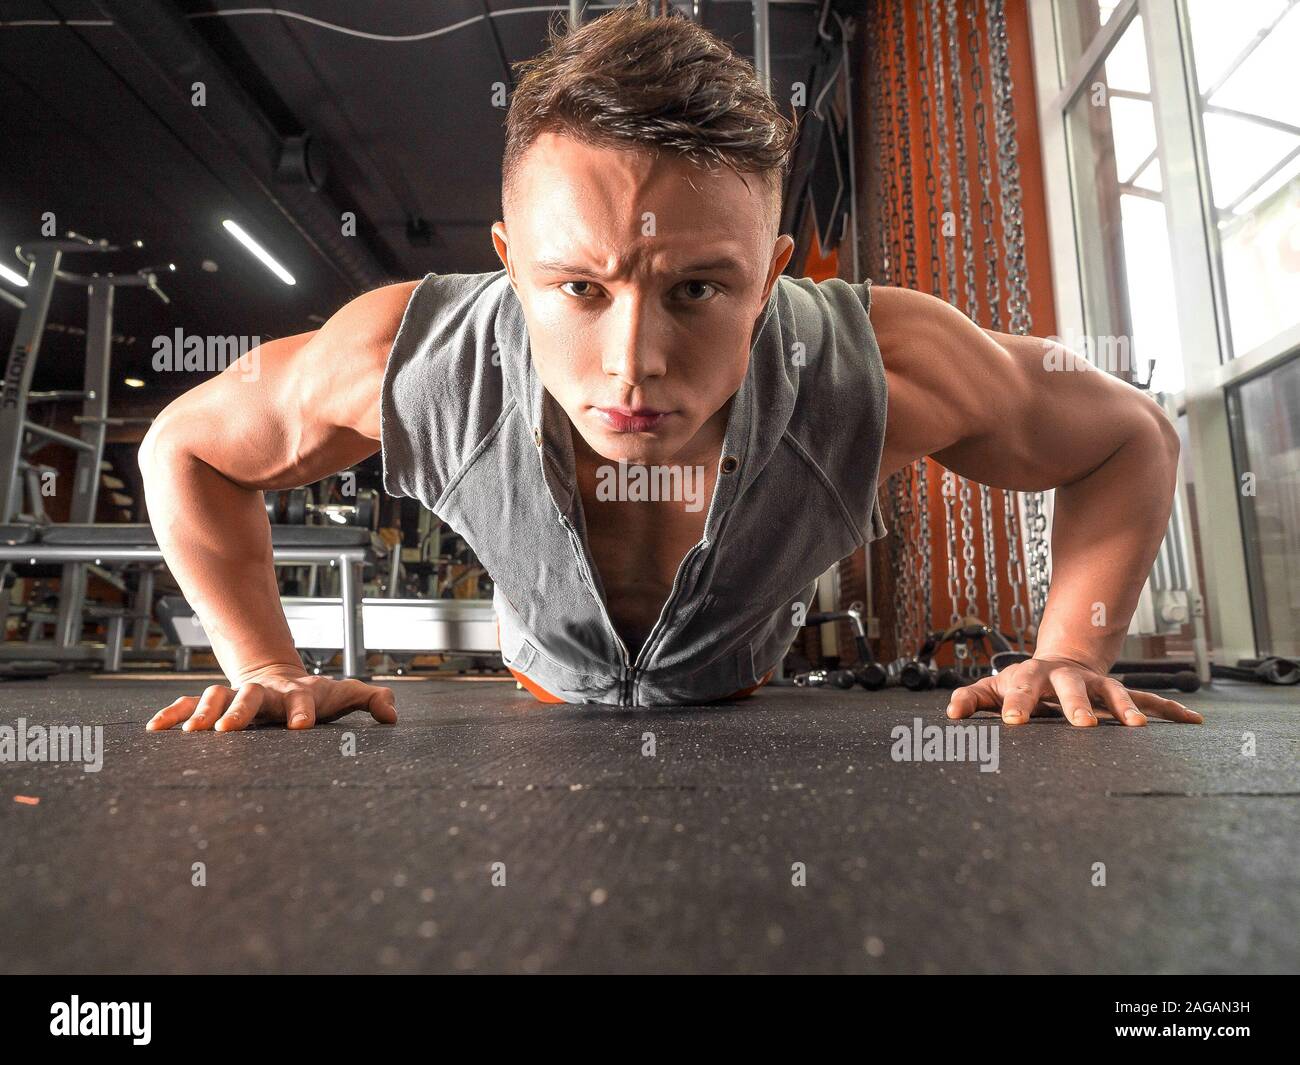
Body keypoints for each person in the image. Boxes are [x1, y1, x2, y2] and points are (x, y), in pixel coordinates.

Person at [138, 2, 1202, 731]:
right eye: (580, 288)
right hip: (537, 696)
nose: (634, 364)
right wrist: (263, 668)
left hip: (740, 696)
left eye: (697, 289)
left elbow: (1129, 436)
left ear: (772, 272)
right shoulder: (409, 358)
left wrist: (1074, 651)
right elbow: (183, 446)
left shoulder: (874, 363)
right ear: (508, 265)